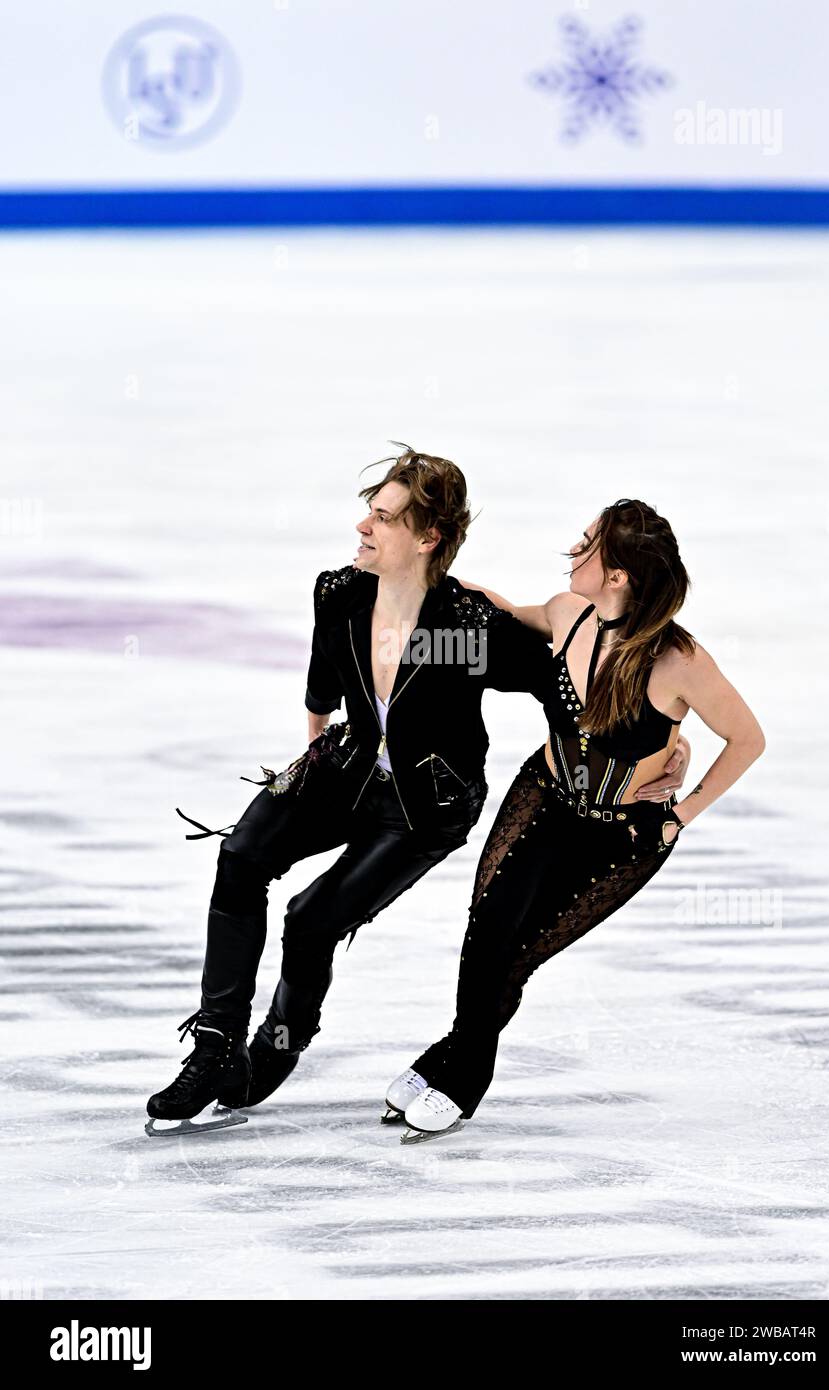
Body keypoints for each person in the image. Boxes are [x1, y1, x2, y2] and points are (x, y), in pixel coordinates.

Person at [145, 456, 691, 1135]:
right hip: (344, 767)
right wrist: (310, 766)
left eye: (382, 517)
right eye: (369, 511)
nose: (362, 525)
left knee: (310, 922)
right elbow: (320, 692)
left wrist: (660, 745)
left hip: (424, 807)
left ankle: (269, 1055)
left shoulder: (464, 628)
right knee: (242, 854)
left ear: (428, 536)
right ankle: (213, 1047)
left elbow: (573, 700)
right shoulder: (340, 593)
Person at [387, 498, 765, 1143]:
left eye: (586, 545)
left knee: (520, 954)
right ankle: (462, 1077)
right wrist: (426, 577)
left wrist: (681, 812)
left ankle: (448, 1062)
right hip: (543, 799)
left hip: (621, 834)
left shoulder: (679, 661)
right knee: (488, 936)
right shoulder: (567, 614)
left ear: (617, 574)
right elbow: (505, 610)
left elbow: (748, 739)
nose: (572, 550)